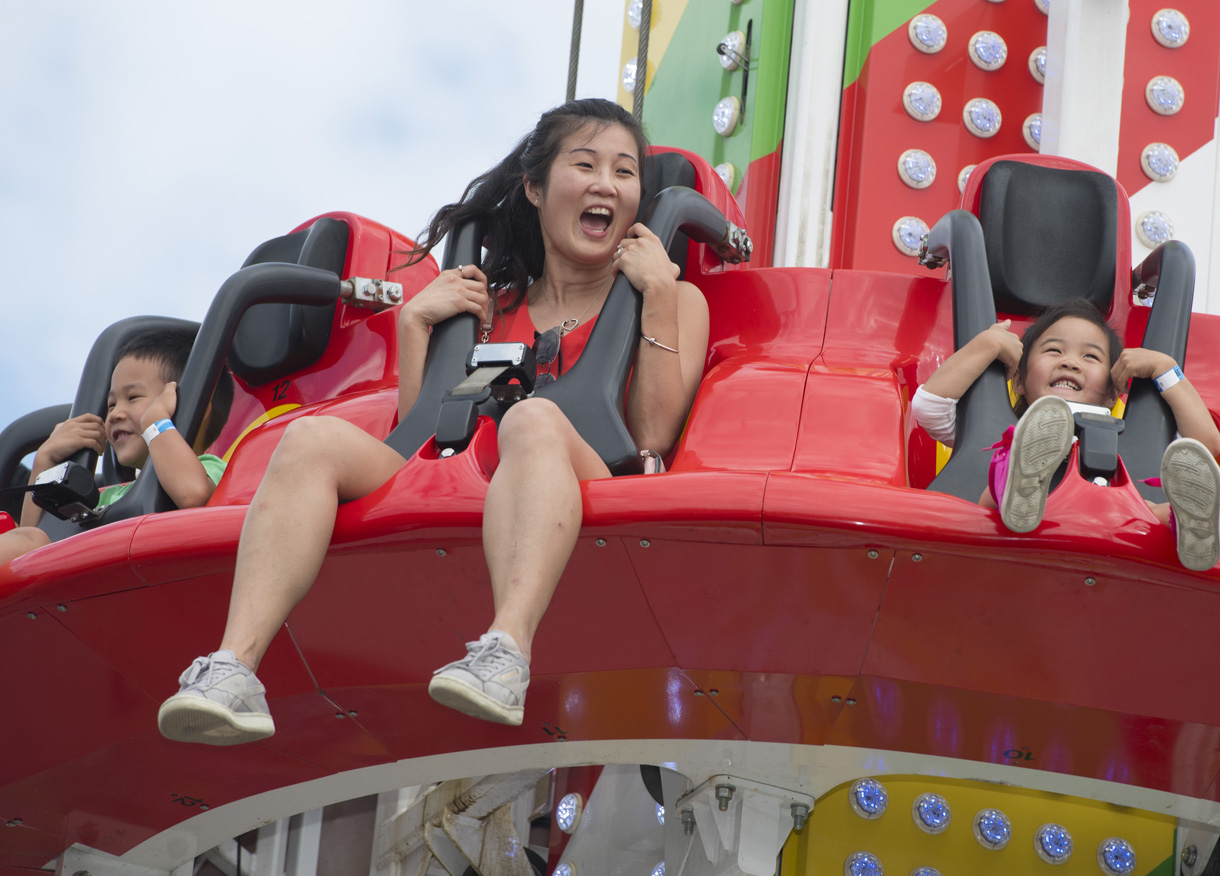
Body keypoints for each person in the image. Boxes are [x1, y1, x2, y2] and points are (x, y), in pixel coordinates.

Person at [157, 98, 709, 744]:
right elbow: (420, 431)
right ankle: (235, 667)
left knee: (533, 420)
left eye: (624, 172)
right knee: (308, 438)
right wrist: (418, 323)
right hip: (465, 476)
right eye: (584, 165)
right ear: (534, 188)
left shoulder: (672, 297)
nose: (605, 185)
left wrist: (661, 296)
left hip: (586, 479)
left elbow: (652, 436)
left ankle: (505, 649)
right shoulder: (487, 306)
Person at [911, 298, 1220, 570]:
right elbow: (930, 406)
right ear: (1019, 379)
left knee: (1153, 509)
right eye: (1053, 350)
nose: (1070, 362)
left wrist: (1165, 369)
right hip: (1026, 518)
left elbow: (1206, 444)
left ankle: (1192, 525)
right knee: (999, 477)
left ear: (1112, 393)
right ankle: (1019, 482)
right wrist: (986, 345)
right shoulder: (994, 421)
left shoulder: (1133, 437)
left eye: (1091, 357)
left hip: (1118, 521)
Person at [0, 326, 234, 565]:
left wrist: (156, 423)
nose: (115, 414)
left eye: (133, 398)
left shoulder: (209, 469)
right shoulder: (108, 496)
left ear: (192, 407)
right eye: (111, 404)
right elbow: (35, 545)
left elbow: (192, 495)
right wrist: (45, 459)